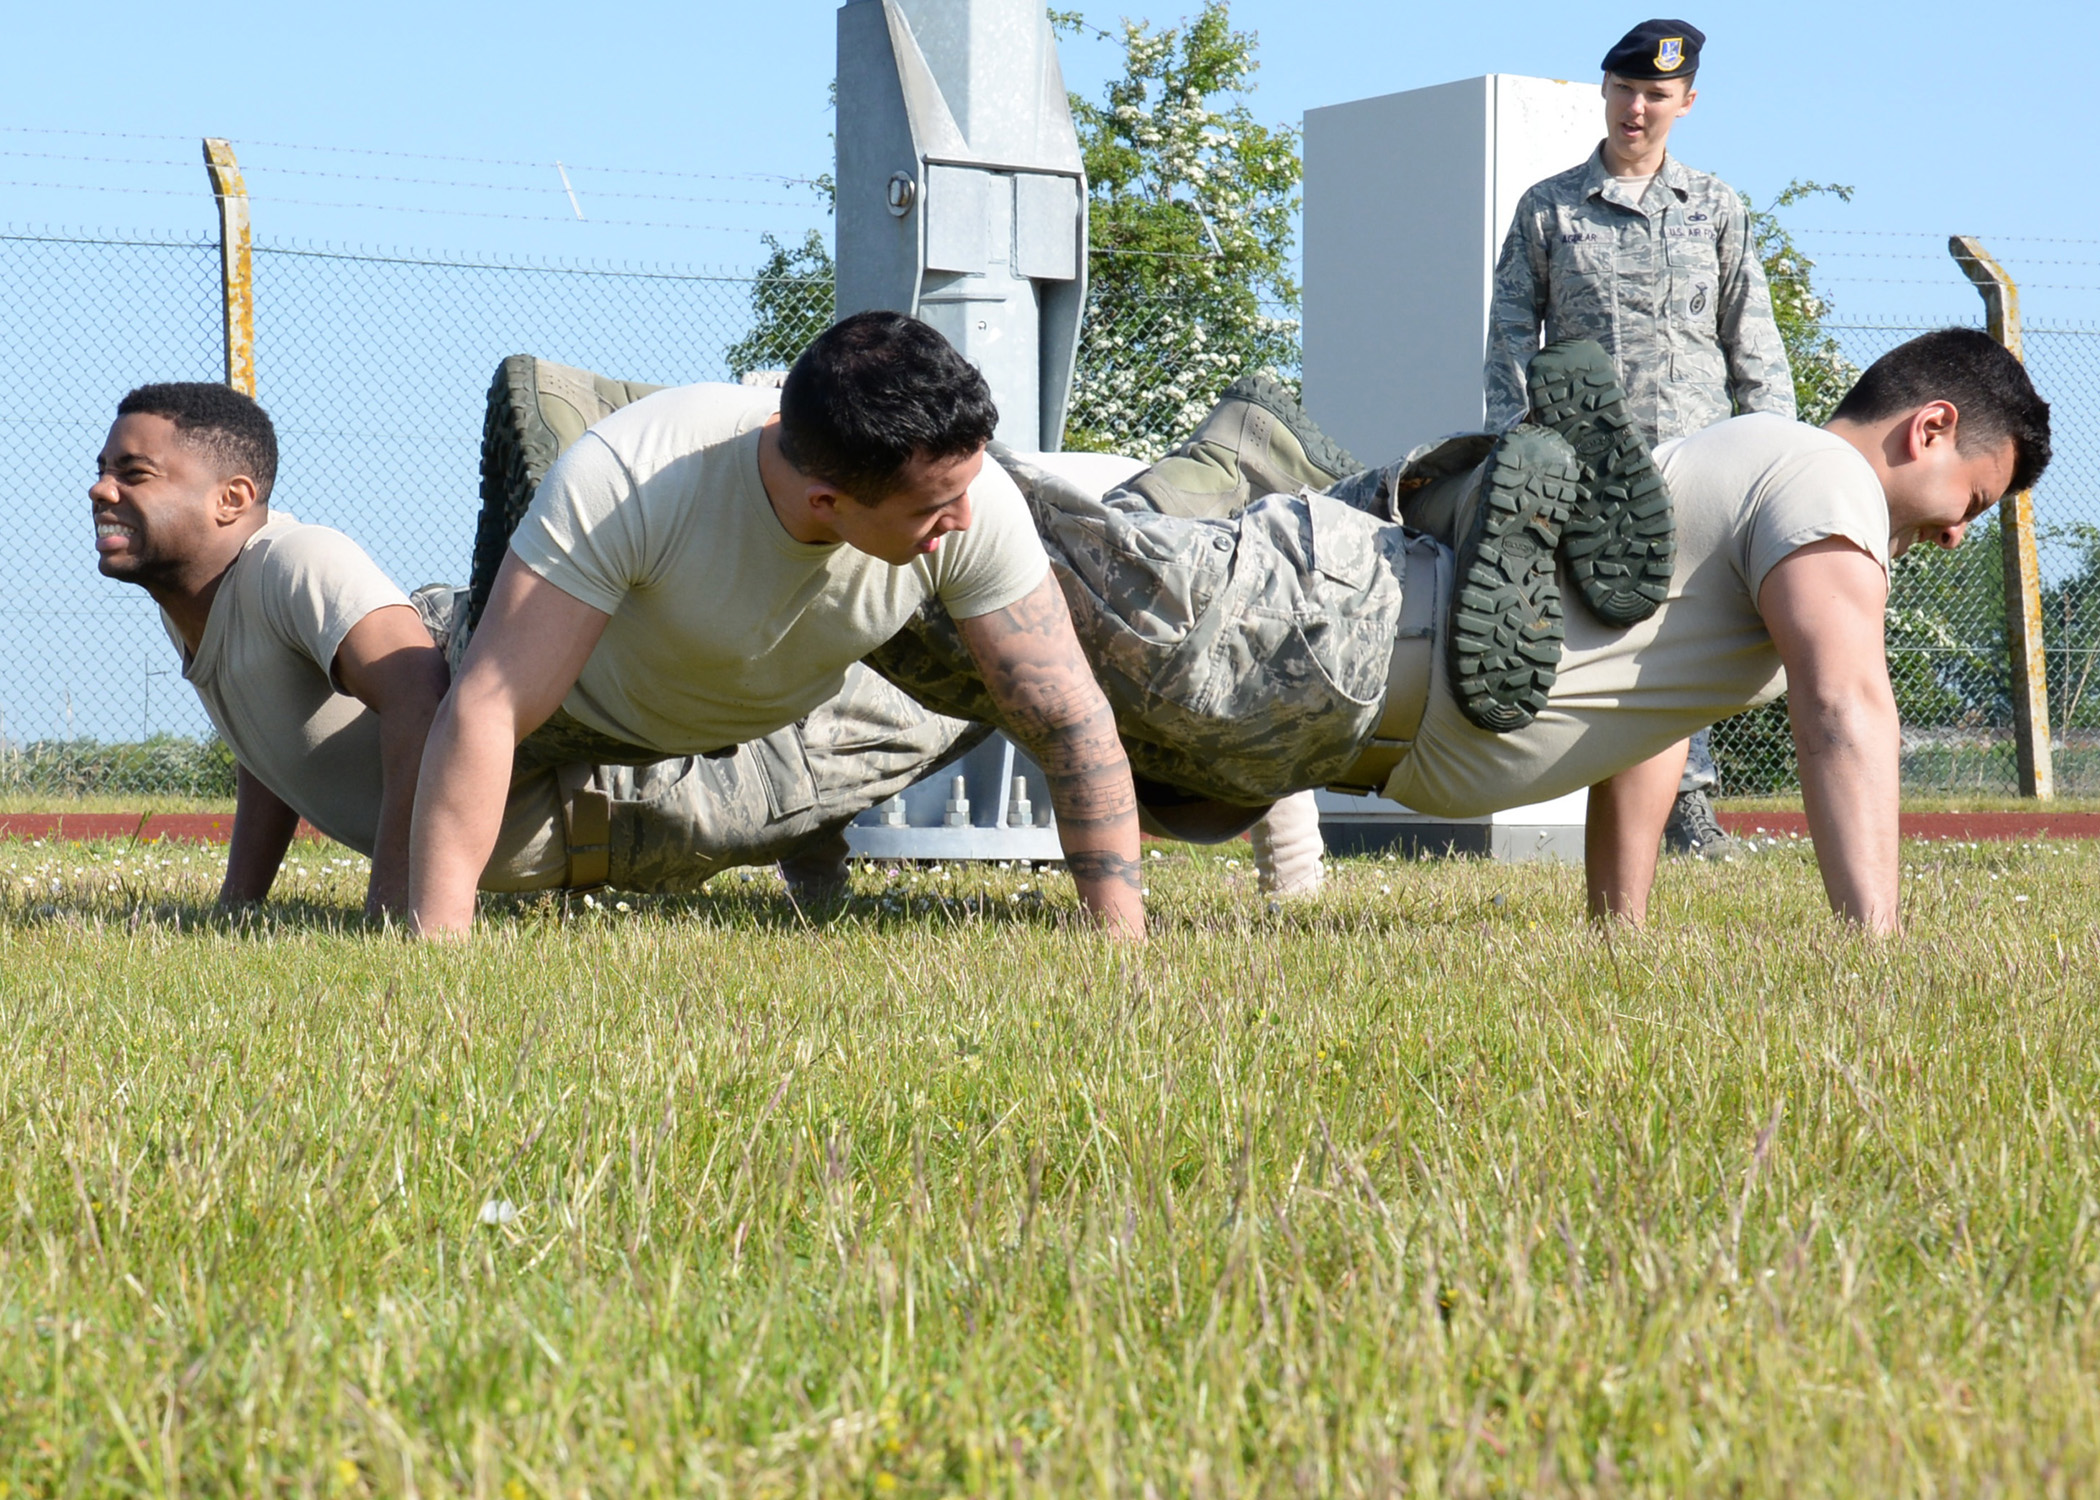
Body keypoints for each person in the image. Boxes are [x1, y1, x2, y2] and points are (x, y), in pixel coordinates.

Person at [866, 331, 2050, 934]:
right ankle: (757, 445)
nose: (1955, 538)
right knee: (964, 522)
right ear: (1929, 428)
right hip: (1336, 629)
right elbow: (1846, 707)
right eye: (1975, 504)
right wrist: (1873, 950)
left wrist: (1616, 935)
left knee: (903, 613)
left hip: (1318, 713)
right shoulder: (1819, 482)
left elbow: (1645, 720)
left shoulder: (1739, 500)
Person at [90, 382, 985, 916]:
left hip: (655, 790)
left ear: (232, 497)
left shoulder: (293, 560)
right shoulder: (203, 606)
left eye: (134, 473)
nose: (100, 490)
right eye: (105, 469)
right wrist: (240, 905)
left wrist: (396, 913)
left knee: (967, 692)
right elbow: (270, 746)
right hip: (626, 804)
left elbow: (421, 695)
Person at [407, 312, 1144, 937]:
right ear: (826, 502)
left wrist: (1119, 949)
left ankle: (803, 831)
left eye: (968, 485)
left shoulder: (966, 500)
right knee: (411, 813)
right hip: (585, 713)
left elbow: (1070, 718)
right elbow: (489, 707)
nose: (964, 519)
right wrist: (440, 951)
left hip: (768, 715)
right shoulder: (632, 476)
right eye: (932, 508)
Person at [1485, 18, 1797, 858]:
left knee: (1685, 630)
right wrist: (1513, 447)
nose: (1637, 109)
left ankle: (1687, 810)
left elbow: (1752, 339)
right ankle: (1649, 811)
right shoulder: (1549, 209)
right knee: (1612, 631)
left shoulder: (1716, 208)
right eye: (1625, 90)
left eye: (1656, 95)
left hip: (1700, 464)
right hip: (1592, 468)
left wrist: (1780, 452)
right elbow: (1512, 333)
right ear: (1605, 92)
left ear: (1685, 102)